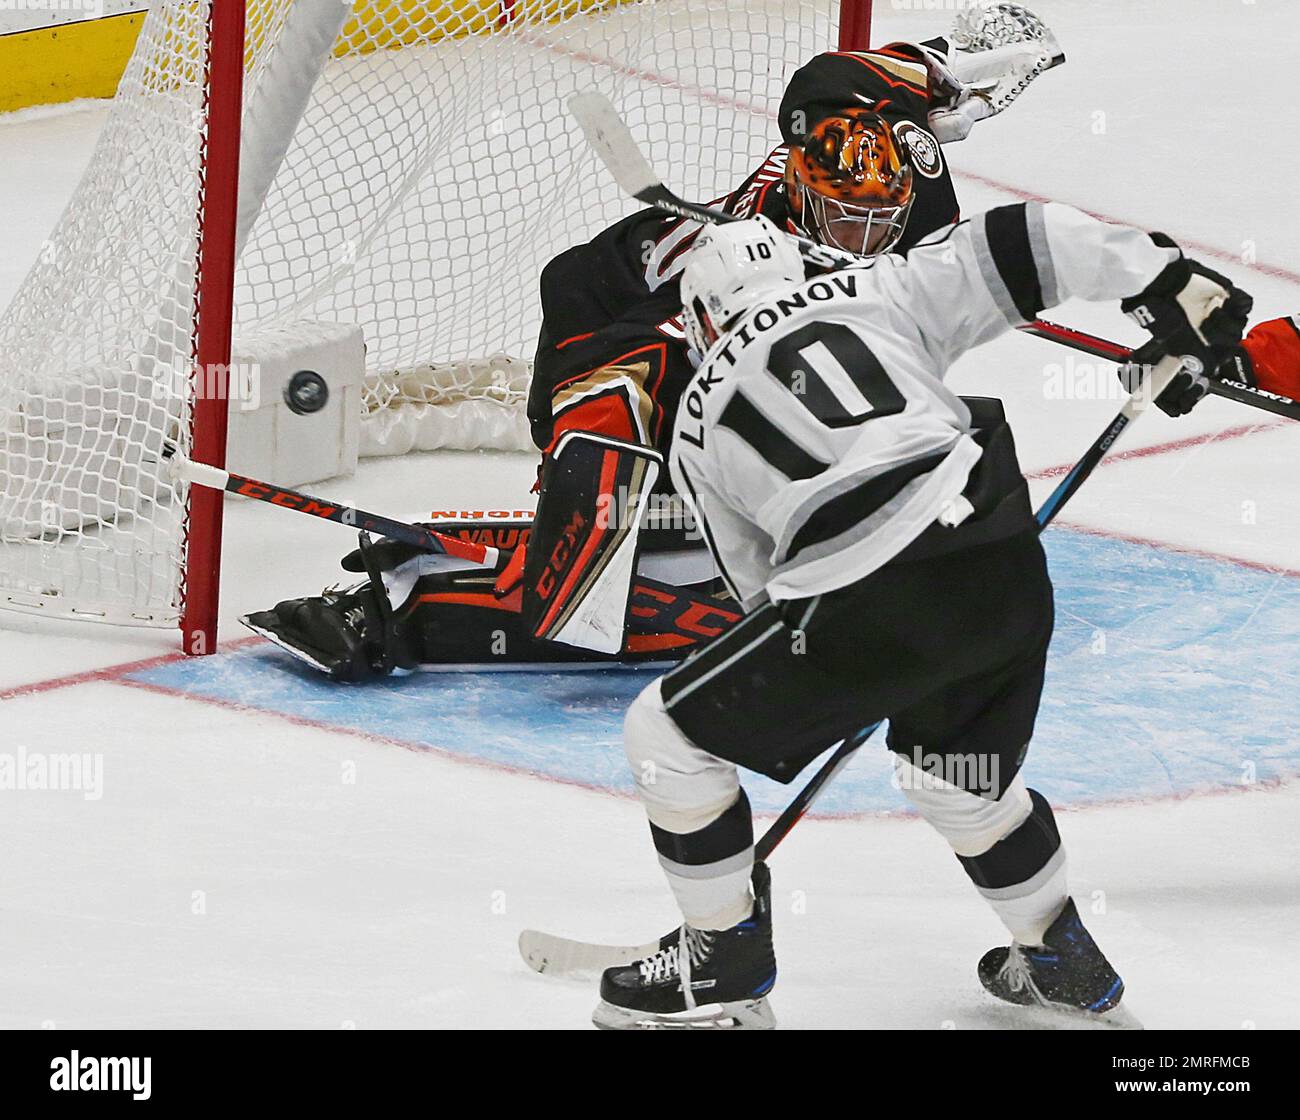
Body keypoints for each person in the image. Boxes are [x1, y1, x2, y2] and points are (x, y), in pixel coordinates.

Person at [590, 204, 1251, 1030]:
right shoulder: (870, 288)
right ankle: (1057, 956)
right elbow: (1020, 240)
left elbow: (758, 592)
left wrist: (856, 673)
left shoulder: (693, 422)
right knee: (956, 778)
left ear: (701, 318)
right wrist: (1165, 280)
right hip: (999, 561)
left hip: (866, 596)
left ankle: (718, 957)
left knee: (668, 738)